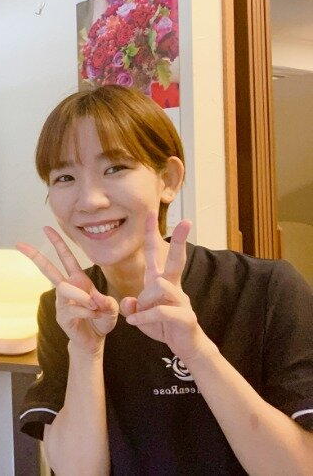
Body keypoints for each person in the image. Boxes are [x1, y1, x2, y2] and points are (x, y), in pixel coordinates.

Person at [16, 85, 313, 474]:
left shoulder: (265, 289)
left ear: (168, 179)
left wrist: (196, 351)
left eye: (115, 168)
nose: (89, 200)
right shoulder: (65, 311)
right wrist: (86, 352)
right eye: (65, 177)